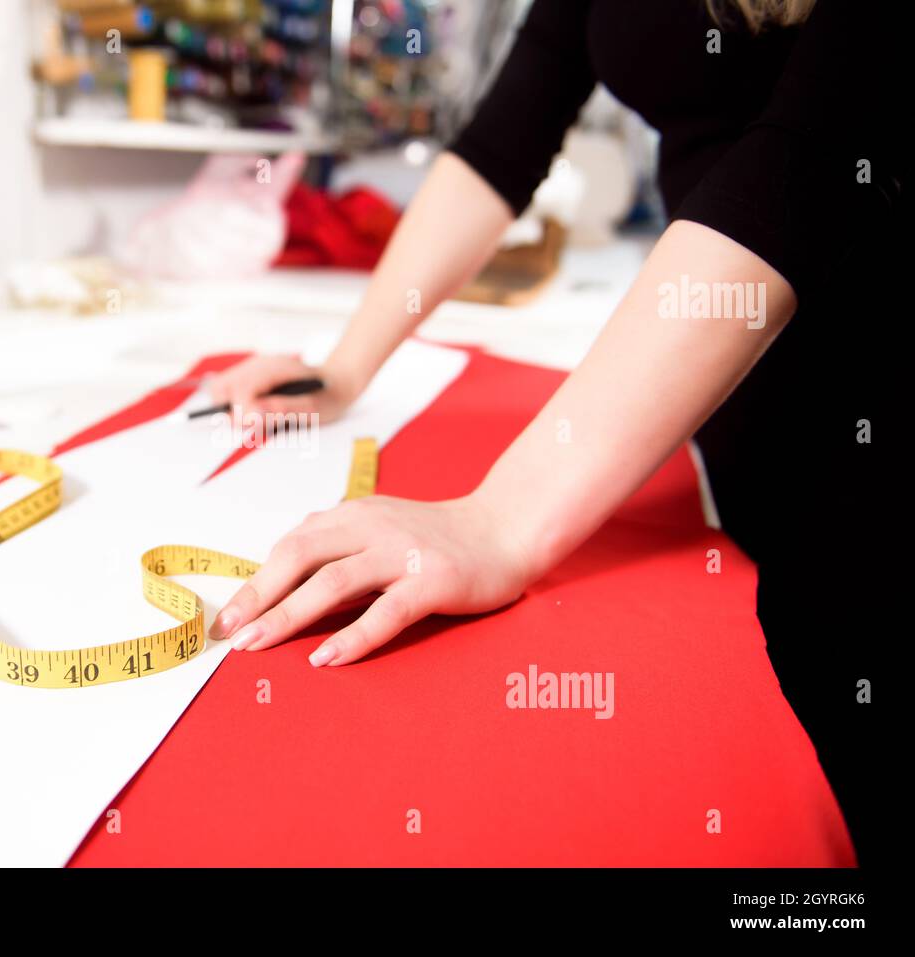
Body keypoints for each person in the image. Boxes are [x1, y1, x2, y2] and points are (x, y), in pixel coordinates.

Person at [205, 0, 902, 865]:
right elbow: (502, 146)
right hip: (725, 409)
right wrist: (347, 363)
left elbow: (801, 165)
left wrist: (499, 520)